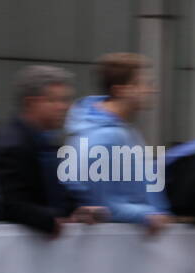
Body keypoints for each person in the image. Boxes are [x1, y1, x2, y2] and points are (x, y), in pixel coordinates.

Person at [63, 52, 171, 231]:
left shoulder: (126, 131)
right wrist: (149, 216)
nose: (152, 90)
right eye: (143, 84)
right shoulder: (106, 138)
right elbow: (103, 205)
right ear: (120, 90)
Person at [0, 65, 105, 235]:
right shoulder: (13, 146)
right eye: (54, 100)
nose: (64, 107)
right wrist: (51, 220)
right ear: (30, 103)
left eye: (66, 100)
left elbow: (57, 193)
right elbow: (12, 203)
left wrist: (77, 210)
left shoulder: (48, 144)